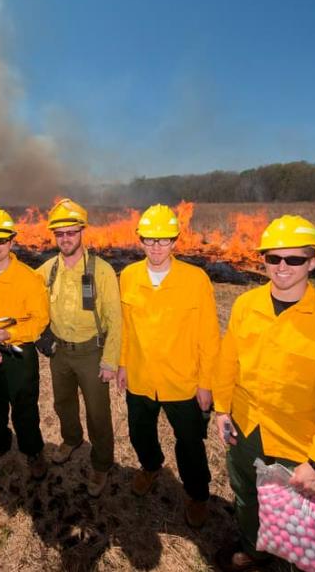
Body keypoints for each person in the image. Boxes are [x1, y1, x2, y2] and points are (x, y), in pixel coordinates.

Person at [212, 215, 315, 571]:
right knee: (247, 496)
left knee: (310, 521)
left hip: (300, 443)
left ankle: (312, 563)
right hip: (247, 429)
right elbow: (228, 362)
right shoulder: (246, 305)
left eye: (295, 259)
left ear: (313, 260)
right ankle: (254, 549)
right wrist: (222, 409)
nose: (282, 267)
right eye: (273, 258)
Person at [117, 204, 220, 529]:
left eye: (163, 240)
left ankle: (197, 494)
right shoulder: (130, 276)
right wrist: (122, 364)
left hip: (182, 381)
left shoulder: (195, 279)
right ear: (141, 241)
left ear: (175, 241)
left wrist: (206, 382)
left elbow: (209, 336)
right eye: (149, 240)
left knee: (189, 442)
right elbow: (124, 327)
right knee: (139, 432)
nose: (156, 247)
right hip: (141, 376)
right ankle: (150, 466)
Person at [36, 199, 121, 497]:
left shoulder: (102, 270)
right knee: (63, 403)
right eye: (60, 234)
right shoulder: (47, 270)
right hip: (60, 352)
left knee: (98, 413)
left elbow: (115, 319)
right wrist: (39, 334)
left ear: (82, 232)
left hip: (91, 353)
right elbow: (30, 306)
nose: (65, 239)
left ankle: (101, 465)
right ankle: (71, 440)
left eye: (71, 232)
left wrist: (110, 360)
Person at [0, 208, 50, 479]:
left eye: (0, 240)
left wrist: (8, 335)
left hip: (17, 353)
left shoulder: (29, 278)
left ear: (11, 242)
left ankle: (33, 450)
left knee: (24, 403)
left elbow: (40, 321)